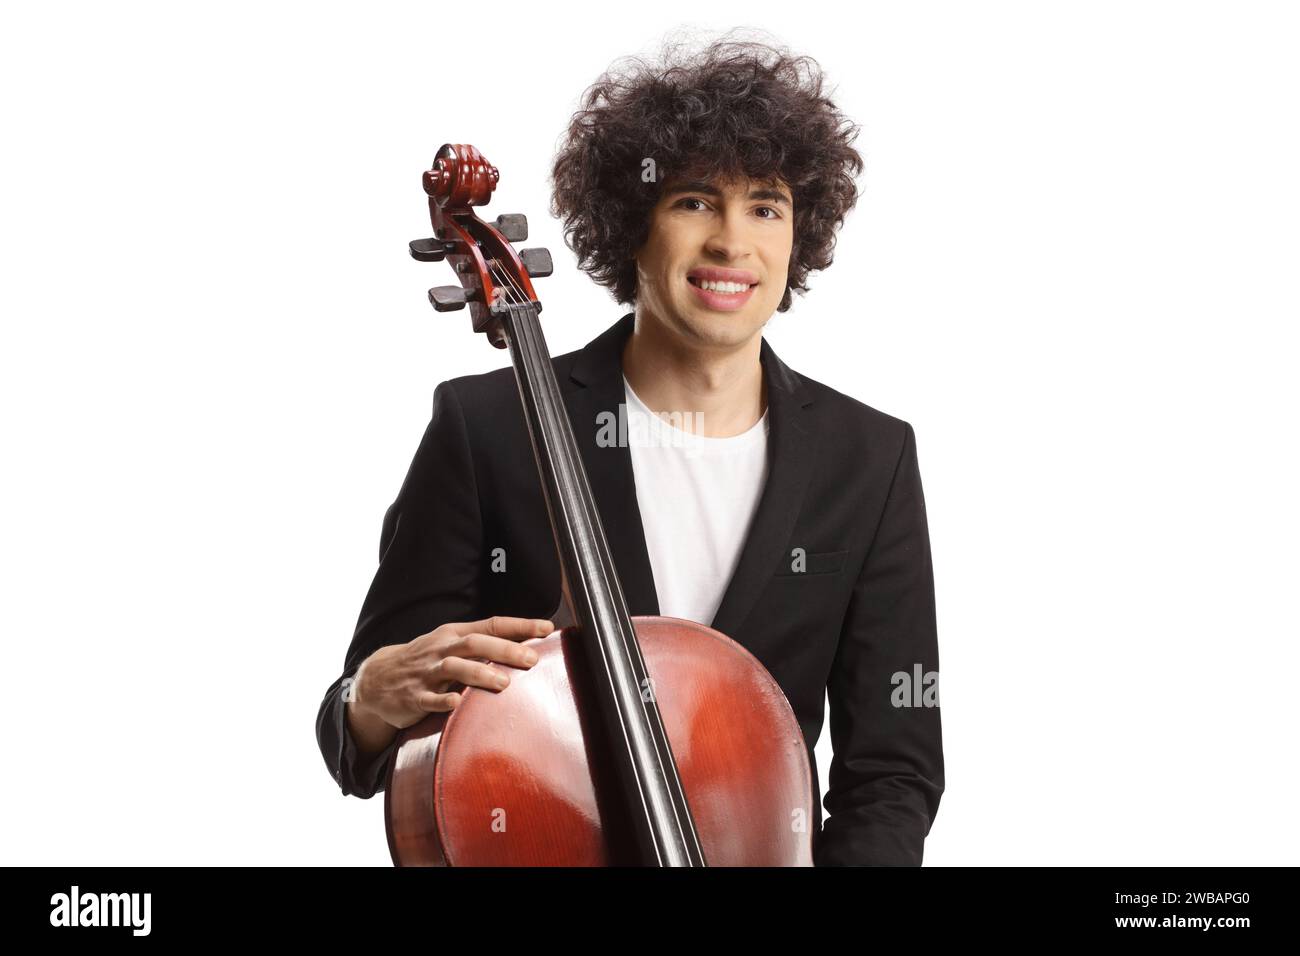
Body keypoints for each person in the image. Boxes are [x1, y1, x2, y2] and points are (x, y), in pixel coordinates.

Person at [315, 37, 944, 866]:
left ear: (801, 234)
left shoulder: (870, 457)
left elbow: (891, 774)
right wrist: (369, 698)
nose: (731, 243)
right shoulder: (487, 428)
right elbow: (355, 734)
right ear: (631, 226)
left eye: (765, 206)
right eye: (693, 202)